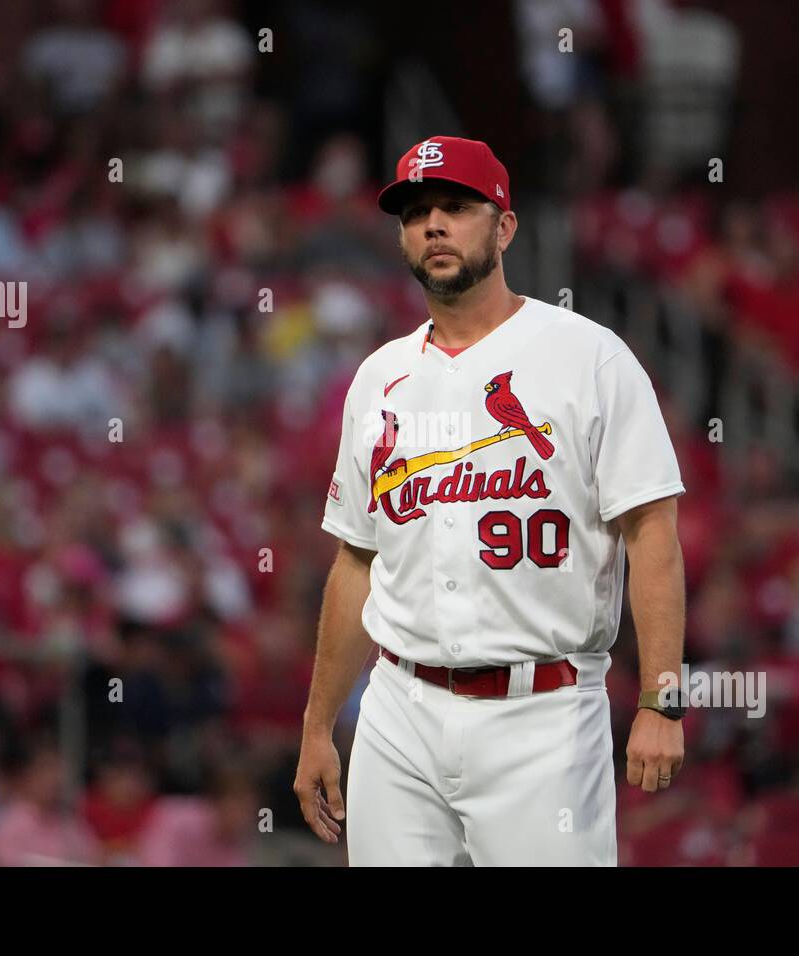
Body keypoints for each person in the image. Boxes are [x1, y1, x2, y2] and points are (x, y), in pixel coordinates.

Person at [293, 136, 688, 866]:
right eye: (416, 214)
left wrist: (662, 700)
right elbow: (356, 561)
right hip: (398, 709)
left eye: (455, 207)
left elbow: (652, 533)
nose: (433, 225)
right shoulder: (379, 377)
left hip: (544, 714)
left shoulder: (589, 356)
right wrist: (319, 726)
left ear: (504, 227)